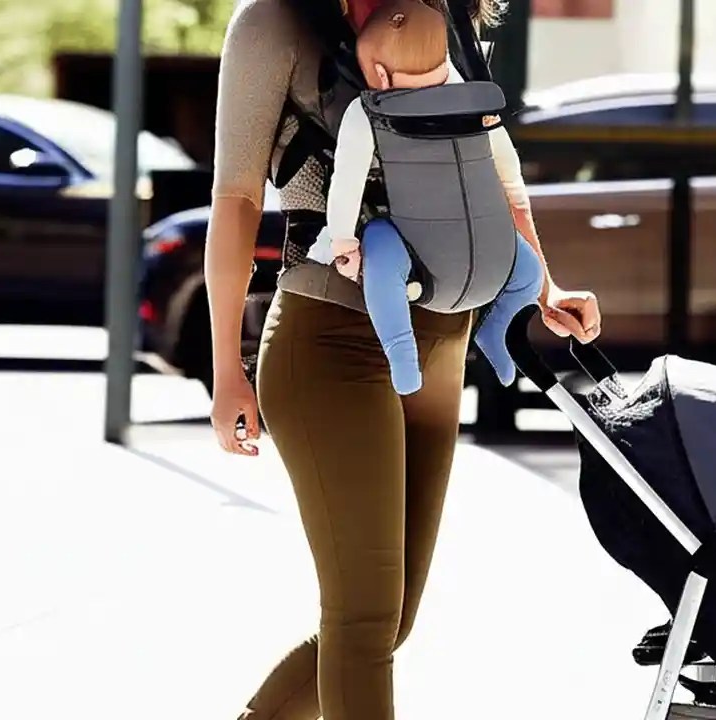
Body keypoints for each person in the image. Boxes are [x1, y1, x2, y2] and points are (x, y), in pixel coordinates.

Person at [203, 1, 601, 718]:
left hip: (441, 338)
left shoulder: (444, 14)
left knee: (389, 619)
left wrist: (543, 283)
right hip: (330, 335)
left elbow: (492, 175)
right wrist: (227, 365)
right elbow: (234, 198)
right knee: (361, 620)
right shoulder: (272, 25)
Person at [314, 0, 544, 395]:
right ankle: (498, 331)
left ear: (381, 75)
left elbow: (347, 181)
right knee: (530, 273)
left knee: (379, 243)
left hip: (423, 267)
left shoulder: (369, 113)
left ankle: (402, 354)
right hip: (496, 263)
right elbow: (509, 170)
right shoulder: (477, 101)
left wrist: (343, 242)